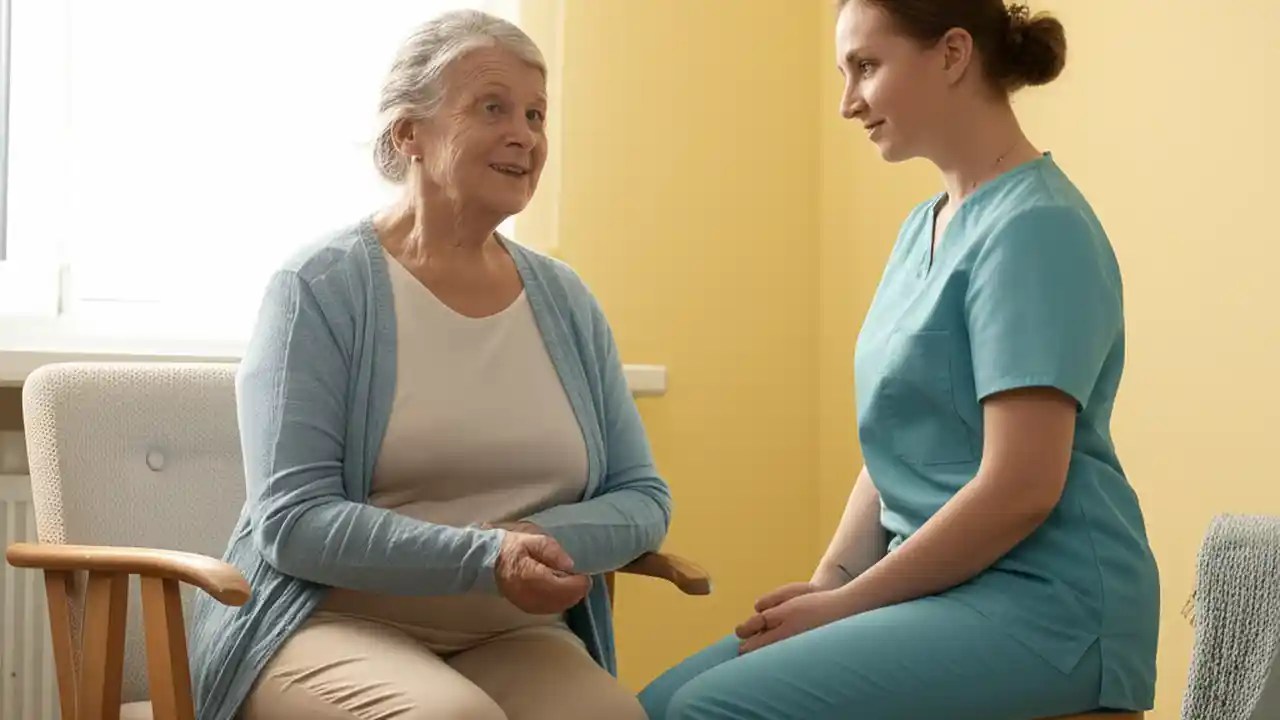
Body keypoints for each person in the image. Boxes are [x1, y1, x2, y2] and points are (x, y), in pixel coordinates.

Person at [639, 2, 1159, 718]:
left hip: (1050, 607)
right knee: (650, 707)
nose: (847, 103)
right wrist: (830, 581)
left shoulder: (1037, 227)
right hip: (942, 593)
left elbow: (1022, 487)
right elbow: (897, 443)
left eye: (865, 67)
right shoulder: (925, 226)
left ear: (952, 55)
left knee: (712, 711)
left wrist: (850, 603)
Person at [185, 10, 666, 720]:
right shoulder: (320, 287)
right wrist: (484, 557)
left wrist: (542, 542)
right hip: (325, 625)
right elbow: (292, 520)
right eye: (493, 107)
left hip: (511, 631)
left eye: (536, 115)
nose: (525, 136)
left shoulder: (566, 301)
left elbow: (643, 498)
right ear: (409, 132)